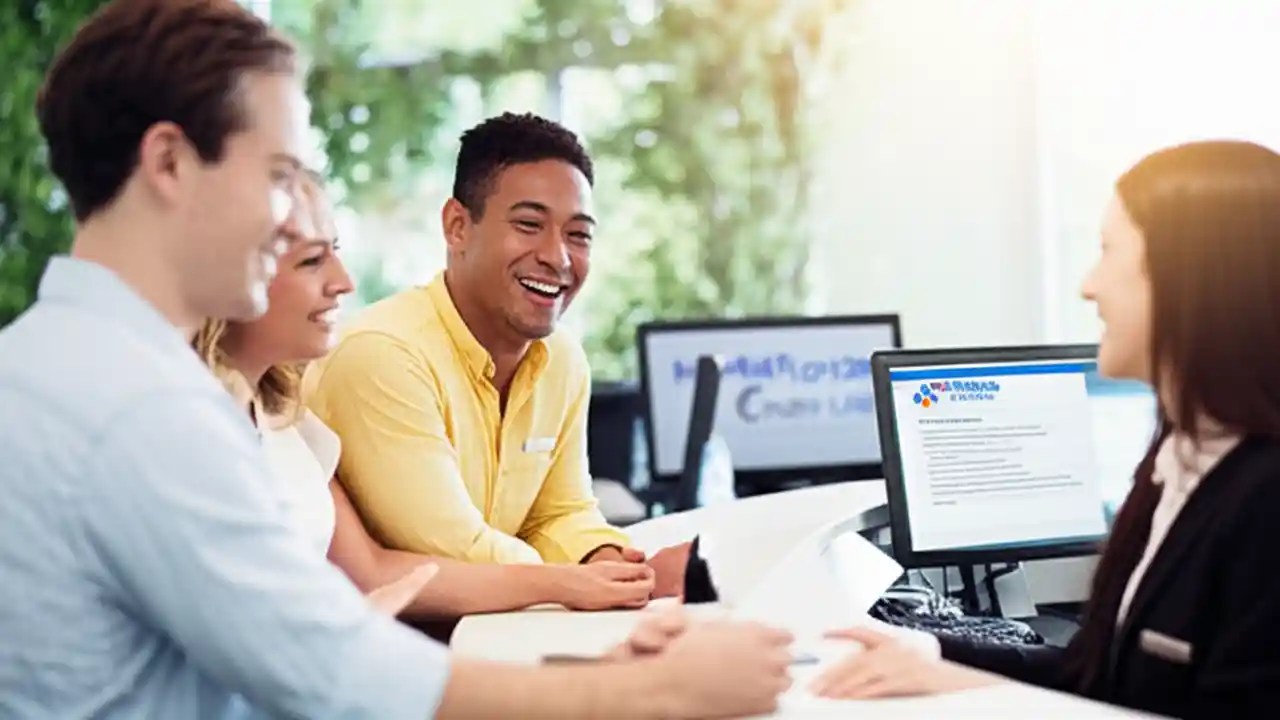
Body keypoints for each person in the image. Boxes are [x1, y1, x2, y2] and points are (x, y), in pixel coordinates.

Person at [0, 1, 795, 717]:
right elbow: (329, 674)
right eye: (278, 176)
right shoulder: (145, 411)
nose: (291, 224)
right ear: (170, 163)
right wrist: (654, 691)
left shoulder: (54, 364)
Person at [808, 140, 1280, 718]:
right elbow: (1098, 674)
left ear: (1192, 279)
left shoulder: (1265, 501)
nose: (1089, 285)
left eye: (1109, 252)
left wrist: (971, 692)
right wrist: (932, 653)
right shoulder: (1180, 459)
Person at [194, 171, 657, 616]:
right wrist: (571, 582)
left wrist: (589, 573)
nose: (344, 282)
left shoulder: (286, 417)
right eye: (312, 260)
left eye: (334, 252)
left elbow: (372, 572)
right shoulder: (185, 423)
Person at [305, 112, 690, 595]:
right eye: (529, 225)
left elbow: (560, 514)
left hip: (500, 629)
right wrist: (604, 584)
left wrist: (617, 563)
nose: (558, 257)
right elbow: (453, 549)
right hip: (403, 647)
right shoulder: (384, 355)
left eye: (578, 235)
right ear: (457, 226)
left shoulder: (562, 361)